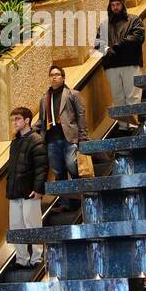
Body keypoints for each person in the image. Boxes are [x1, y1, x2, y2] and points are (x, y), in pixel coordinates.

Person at [34, 65, 87, 203]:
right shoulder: (44, 98)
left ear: (63, 78)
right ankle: (65, 202)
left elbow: (81, 115)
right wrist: (30, 129)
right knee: (58, 171)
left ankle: (80, 198)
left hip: (70, 137)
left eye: (57, 74)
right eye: (51, 75)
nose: (54, 77)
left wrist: (83, 136)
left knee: (72, 166)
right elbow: (42, 120)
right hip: (52, 139)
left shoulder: (72, 94)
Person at [95, 0, 145, 132]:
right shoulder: (104, 24)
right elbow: (98, 43)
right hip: (112, 66)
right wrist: (108, 50)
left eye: (118, 4)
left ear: (123, 5)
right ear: (110, 7)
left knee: (133, 96)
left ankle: (134, 126)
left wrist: (117, 46)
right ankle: (123, 127)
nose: (115, 7)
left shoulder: (134, 20)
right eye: (113, 5)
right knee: (117, 97)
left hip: (130, 63)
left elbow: (137, 37)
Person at [5, 107, 47, 268]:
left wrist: (38, 189)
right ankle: (21, 259)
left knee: (33, 223)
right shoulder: (15, 142)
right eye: (13, 119)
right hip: (15, 191)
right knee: (16, 227)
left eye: (17, 119)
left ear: (27, 120)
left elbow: (42, 167)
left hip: (30, 190)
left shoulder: (36, 140)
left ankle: (37, 258)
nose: (14, 122)